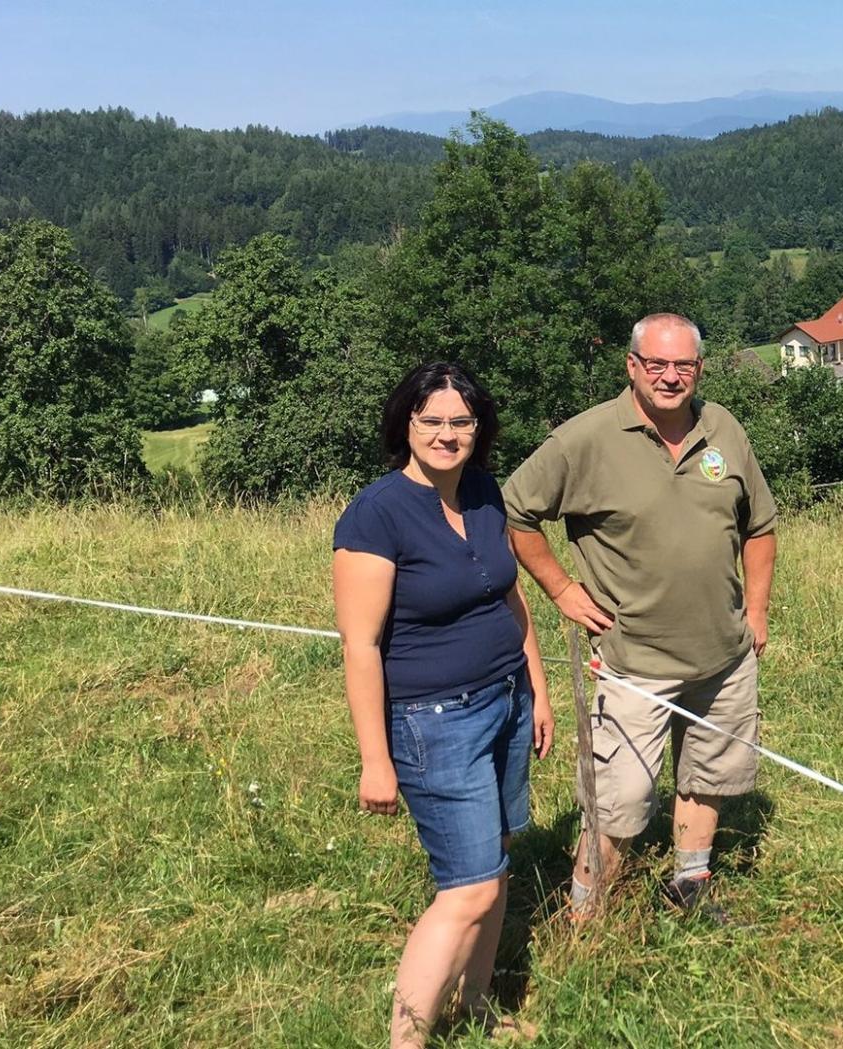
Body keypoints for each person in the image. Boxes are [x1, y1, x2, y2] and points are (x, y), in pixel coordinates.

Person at [503, 312, 777, 919]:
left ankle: (690, 884)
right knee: (620, 797)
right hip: (634, 661)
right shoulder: (587, 439)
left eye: (683, 365)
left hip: (724, 656)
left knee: (712, 774)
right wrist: (561, 590)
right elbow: (515, 512)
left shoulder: (723, 428)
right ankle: (585, 914)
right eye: (657, 364)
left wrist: (756, 611)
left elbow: (759, 526)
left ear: (700, 369)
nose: (671, 377)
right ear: (632, 366)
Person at [333, 362, 554, 1049]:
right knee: (470, 888)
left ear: (478, 429)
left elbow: (510, 596)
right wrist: (376, 759)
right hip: (436, 722)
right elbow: (361, 645)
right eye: (431, 420)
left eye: (461, 421)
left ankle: (479, 1002)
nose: (447, 434)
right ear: (406, 424)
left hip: (507, 701)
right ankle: (407, 1039)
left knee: (497, 862)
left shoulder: (486, 493)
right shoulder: (376, 514)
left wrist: (537, 688)